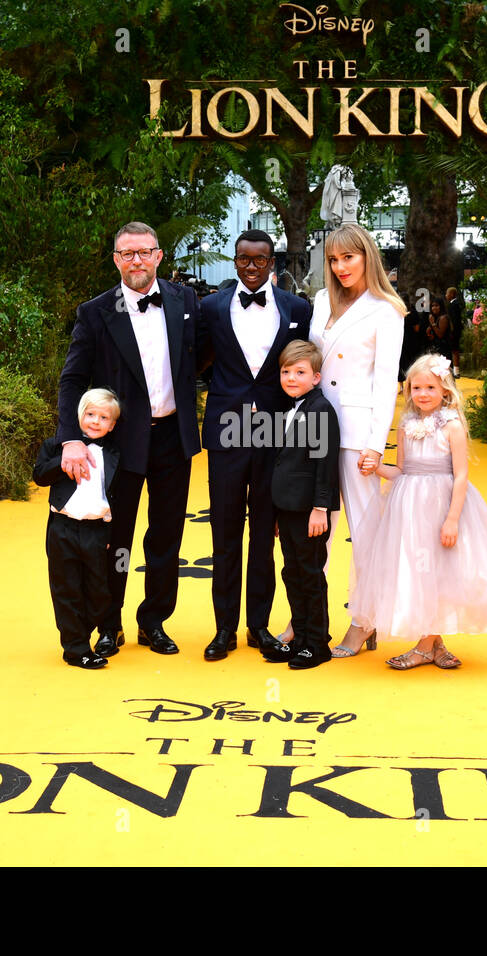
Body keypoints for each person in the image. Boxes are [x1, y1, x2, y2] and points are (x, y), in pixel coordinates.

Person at [56, 221, 202, 658]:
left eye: (144, 252)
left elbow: (203, 355)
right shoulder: (94, 312)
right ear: (116, 259)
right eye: (127, 254)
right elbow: (72, 381)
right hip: (118, 448)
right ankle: (109, 623)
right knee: (114, 538)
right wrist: (70, 439)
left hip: (174, 440)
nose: (136, 260)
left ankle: (154, 621)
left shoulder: (185, 300)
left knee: (166, 537)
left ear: (159, 255)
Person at [350, 353, 487, 669]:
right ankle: (434, 645)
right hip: (409, 508)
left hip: (443, 506)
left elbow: (461, 474)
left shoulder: (452, 426)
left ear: (445, 391)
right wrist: (378, 468)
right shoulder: (406, 425)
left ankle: (424, 647)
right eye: (416, 388)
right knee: (420, 572)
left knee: (443, 570)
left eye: (430, 388)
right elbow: (403, 471)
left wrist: (451, 519)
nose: (422, 394)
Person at [199, 229, 311, 661]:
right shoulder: (209, 306)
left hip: (274, 433)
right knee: (224, 533)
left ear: (272, 264)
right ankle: (223, 628)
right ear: (234, 261)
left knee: (264, 536)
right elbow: (197, 359)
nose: (251, 266)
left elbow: (303, 367)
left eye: (259, 260)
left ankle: (259, 627)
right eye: (243, 259)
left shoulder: (296, 307)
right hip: (227, 432)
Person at [302, 222, 406, 657]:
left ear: (367, 256)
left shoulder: (387, 309)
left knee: (363, 532)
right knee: (314, 530)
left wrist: (375, 445)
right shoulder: (322, 300)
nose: (341, 266)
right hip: (317, 428)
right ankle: (305, 616)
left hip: (358, 431)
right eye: (333, 259)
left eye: (349, 257)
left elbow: (386, 383)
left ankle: (364, 620)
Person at [33, 389, 122, 669]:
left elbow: (117, 495)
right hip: (62, 529)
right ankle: (76, 648)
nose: (95, 421)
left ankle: (83, 637)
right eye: (90, 414)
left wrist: (111, 532)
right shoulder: (56, 446)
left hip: (97, 532)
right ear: (79, 416)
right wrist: (63, 462)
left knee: (99, 592)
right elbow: (39, 476)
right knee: (66, 589)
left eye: (103, 417)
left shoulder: (116, 453)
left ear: (113, 425)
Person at [265, 340, 340, 669]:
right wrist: (280, 510)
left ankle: (317, 642)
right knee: (291, 573)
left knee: (310, 574)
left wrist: (320, 508)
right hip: (288, 507)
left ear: (316, 377)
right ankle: (300, 636)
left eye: (300, 372)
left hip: (311, 510)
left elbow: (325, 463)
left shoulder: (321, 410)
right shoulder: (288, 408)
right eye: (285, 371)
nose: (291, 378)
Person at [446, 287, 465, 377]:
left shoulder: (453, 304)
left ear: (452, 294)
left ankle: (456, 371)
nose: (446, 295)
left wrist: (452, 331)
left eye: (447, 293)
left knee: (454, 350)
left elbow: (454, 320)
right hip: (456, 330)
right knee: (454, 350)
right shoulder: (456, 303)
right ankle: (455, 370)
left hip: (454, 331)